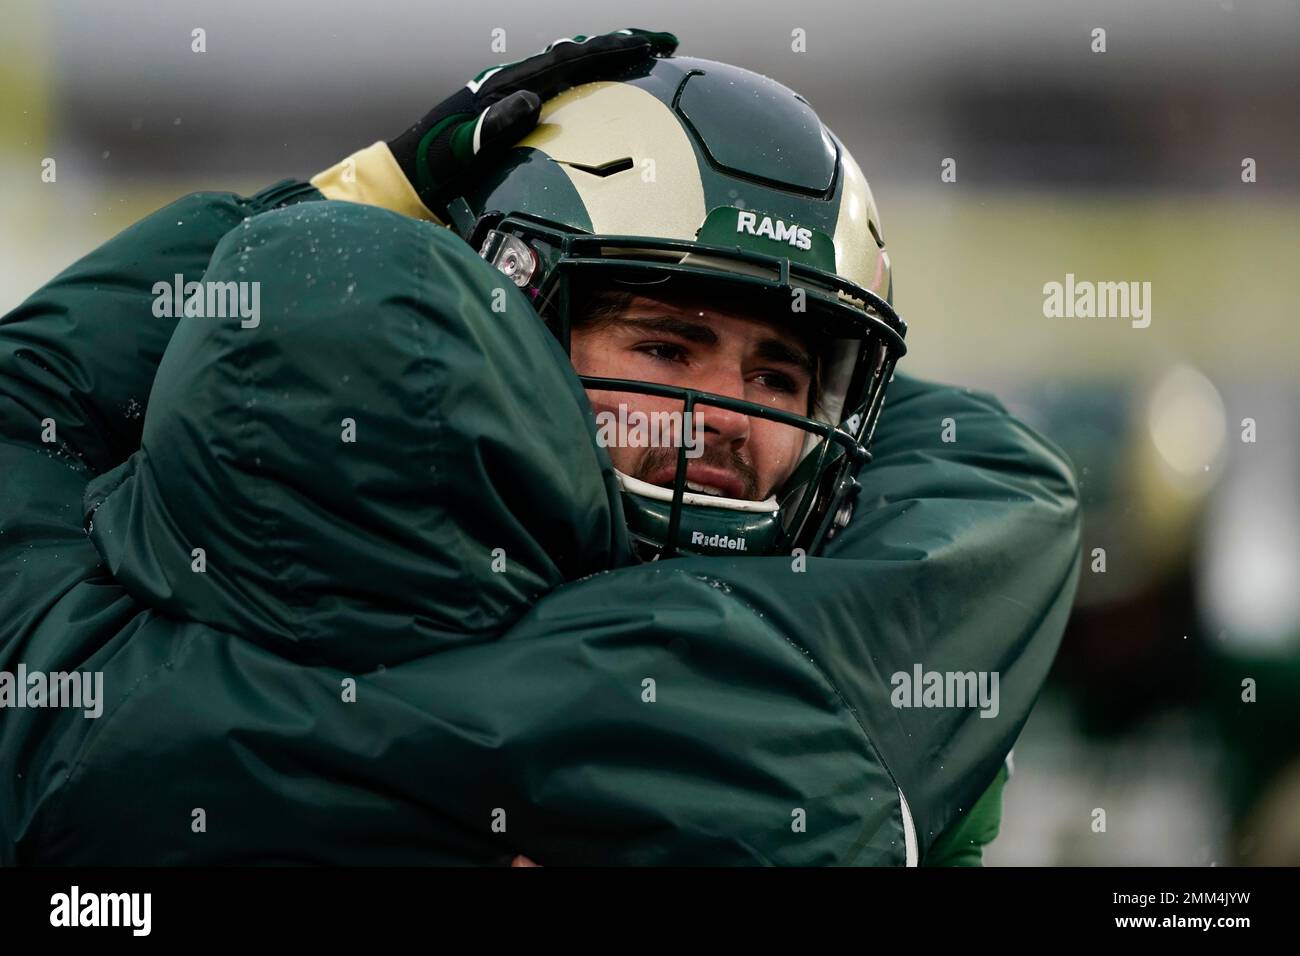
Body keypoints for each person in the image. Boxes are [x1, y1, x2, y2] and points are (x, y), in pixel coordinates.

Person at [0, 30, 1081, 865]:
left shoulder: (105, 666)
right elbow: (992, 467)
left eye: (780, 375)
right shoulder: (843, 678)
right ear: (506, 326)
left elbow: (27, 406)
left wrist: (339, 203)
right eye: (667, 345)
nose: (731, 416)